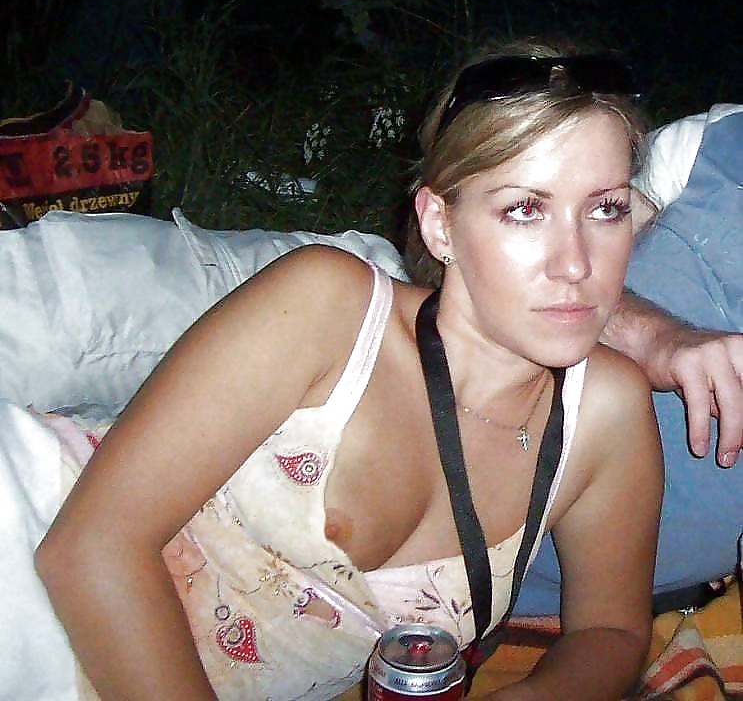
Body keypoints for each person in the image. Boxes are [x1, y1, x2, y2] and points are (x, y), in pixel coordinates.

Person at [33, 40, 662, 700]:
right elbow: (91, 546)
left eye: (605, 209)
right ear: (440, 226)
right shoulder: (330, 310)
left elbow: (611, 632)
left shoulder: (605, 412)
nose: (575, 263)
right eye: (524, 210)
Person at [515, 104, 743, 617]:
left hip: (568, 605)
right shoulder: (716, 145)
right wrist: (654, 338)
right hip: (445, 447)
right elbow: (517, 255)